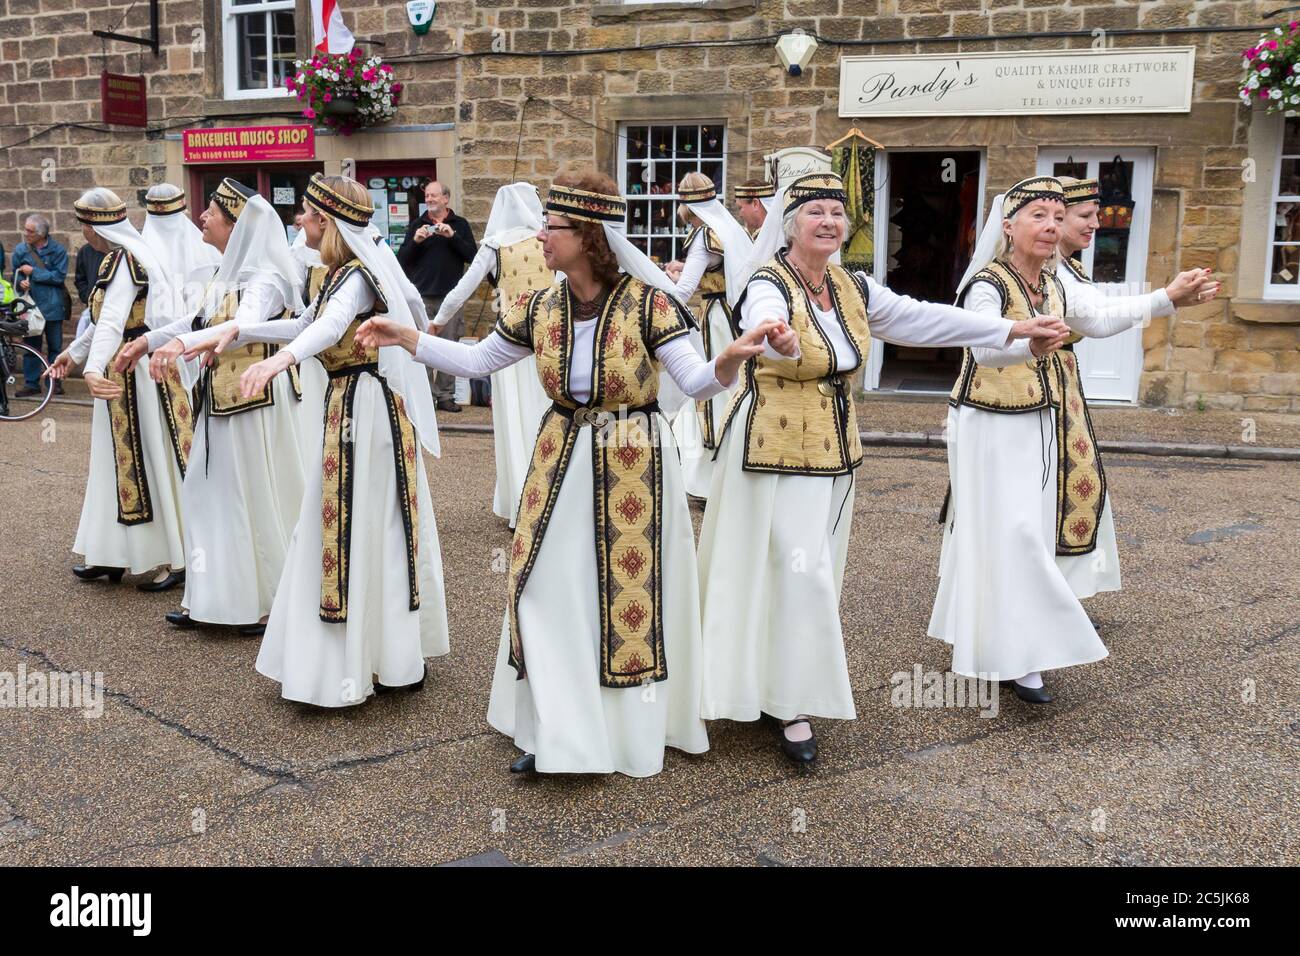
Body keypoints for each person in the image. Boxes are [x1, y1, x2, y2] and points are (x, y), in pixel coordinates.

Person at [357, 170, 784, 777]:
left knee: (619, 598)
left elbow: (692, 381)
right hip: (558, 457)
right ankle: (556, 725)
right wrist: (408, 338)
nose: (540, 236)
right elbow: (480, 358)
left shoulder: (649, 303)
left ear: (588, 237)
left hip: (631, 457)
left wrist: (728, 360)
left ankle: (619, 730)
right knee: (540, 586)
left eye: (552, 227)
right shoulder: (543, 306)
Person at [696, 172, 1072, 765]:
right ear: (790, 225)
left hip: (834, 451)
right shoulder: (768, 281)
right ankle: (787, 701)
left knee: (812, 569)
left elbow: (925, 319)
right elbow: (764, 326)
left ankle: (777, 686)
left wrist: (1011, 329)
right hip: (771, 447)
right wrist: (776, 341)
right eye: (815, 211)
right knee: (793, 572)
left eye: (837, 213)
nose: (828, 221)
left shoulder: (853, 287)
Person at [928, 176, 1216, 705]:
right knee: (1009, 531)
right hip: (987, 421)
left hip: (1038, 416)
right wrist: (1027, 343)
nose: (1052, 226)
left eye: (1057, 217)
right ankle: (1022, 650)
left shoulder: (1055, 282)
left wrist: (1168, 298)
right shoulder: (988, 283)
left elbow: (1100, 318)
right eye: (1038, 215)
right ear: (1009, 226)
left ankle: (1007, 646)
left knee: (1029, 531)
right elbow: (984, 348)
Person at [194, 174, 449, 707]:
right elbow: (303, 323)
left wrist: (282, 362)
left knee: (363, 523)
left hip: (367, 409)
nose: (298, 221)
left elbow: (330, 329)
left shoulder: (355, 277)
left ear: (327, 223)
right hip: (346, 405)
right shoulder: (333, 275)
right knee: (342, 522)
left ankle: (383, 657)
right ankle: (361, 655)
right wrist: (242, 332)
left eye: (307, 214)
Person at [114, 179, 307, 635]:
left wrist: (181, 342)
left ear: (236, 226)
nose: (202, 217)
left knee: (252, 495)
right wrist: (148, 340)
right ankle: (215, 596)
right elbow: (200, 321)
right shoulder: (227, 275)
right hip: (219, 402)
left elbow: (245, 324)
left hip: (254, 404)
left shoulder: (268, 279)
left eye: (213, 212)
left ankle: (266, 601)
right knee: (208, 495)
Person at [43, 188, 190, 589]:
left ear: (94, 226)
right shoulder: (118, 258)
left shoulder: (126, 261)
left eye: (84, 225)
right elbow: (99, 322)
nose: (83, 232)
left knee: (146, 463)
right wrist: (73, 356)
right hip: (120, 371)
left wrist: (90, 370)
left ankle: (170, 558)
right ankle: (110, 554)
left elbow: (113, 323)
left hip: (136, 373)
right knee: (114, 463)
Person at [427, 182, 555, 527]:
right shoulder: (549, 240)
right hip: (552, 343)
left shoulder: (494, 247)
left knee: (516, 422)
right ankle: (553, 499)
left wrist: (436, 324)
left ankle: (521, 501)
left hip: (509, 347)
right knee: (550, 417)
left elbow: (460, 292)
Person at [664, 172, 754, 499]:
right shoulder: (730, 230)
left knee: (713, 391)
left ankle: (708, 478)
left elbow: (685, 288)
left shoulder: (703, 235)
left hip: (716, 318)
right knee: (729, 388)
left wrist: (652, 284)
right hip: (734, 317)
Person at [396, 180, 477, 412]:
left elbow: (473, 256)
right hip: (421, 296)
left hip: (451, 297)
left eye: (434, 196)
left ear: (445, 198)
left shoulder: (459, 224)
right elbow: (401, 261)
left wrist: (452, 237)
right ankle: (427, 396)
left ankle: (445, 395)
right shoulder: (417, 224)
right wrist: (416, 242)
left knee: (448, 346)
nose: (429, 199)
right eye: (427, 196)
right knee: (421, 346)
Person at [11, 214, 68, 397]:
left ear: (41, 234)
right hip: (31, 306)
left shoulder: (58, 250)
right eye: (25, 229)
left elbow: (58, 277)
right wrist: (21, 282)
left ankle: (54, 382)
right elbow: (15, 275)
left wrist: (34, 272)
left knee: (55, 348)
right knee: (31, 347)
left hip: (52, 306)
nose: (25, 233)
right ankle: (31, 383)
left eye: (30, 231)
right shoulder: (21, 250)